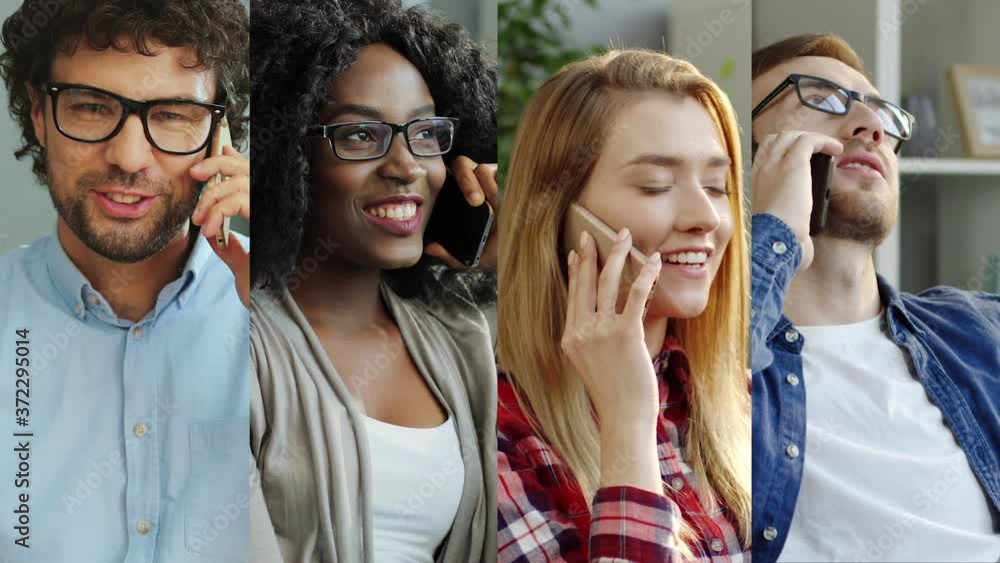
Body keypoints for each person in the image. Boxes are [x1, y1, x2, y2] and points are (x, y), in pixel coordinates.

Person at [0, 0, 251, 561]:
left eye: (173, 114)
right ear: (38, 113)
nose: (130, 158)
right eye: (92, 107)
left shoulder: (285, 300)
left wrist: (294, 312)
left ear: (219, 131)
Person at [247, 1, 498, 561]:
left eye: (425, 132)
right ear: (287, 155)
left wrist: (514, 263)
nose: (406, 166)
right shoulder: (239, 346)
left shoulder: (461, 336)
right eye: (361, 134)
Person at [749, 33, 1000, 563]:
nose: (870, 125)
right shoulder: (699, 354)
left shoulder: (978, 327)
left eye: (881, 111)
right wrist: (775, 233)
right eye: (821, 98)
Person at [497, 49, 752, 562]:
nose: (706, 217)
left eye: (716, 186)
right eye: (656, 186)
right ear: (561, 215)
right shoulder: (498, 434)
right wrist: (627, 421)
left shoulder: (749, 400)